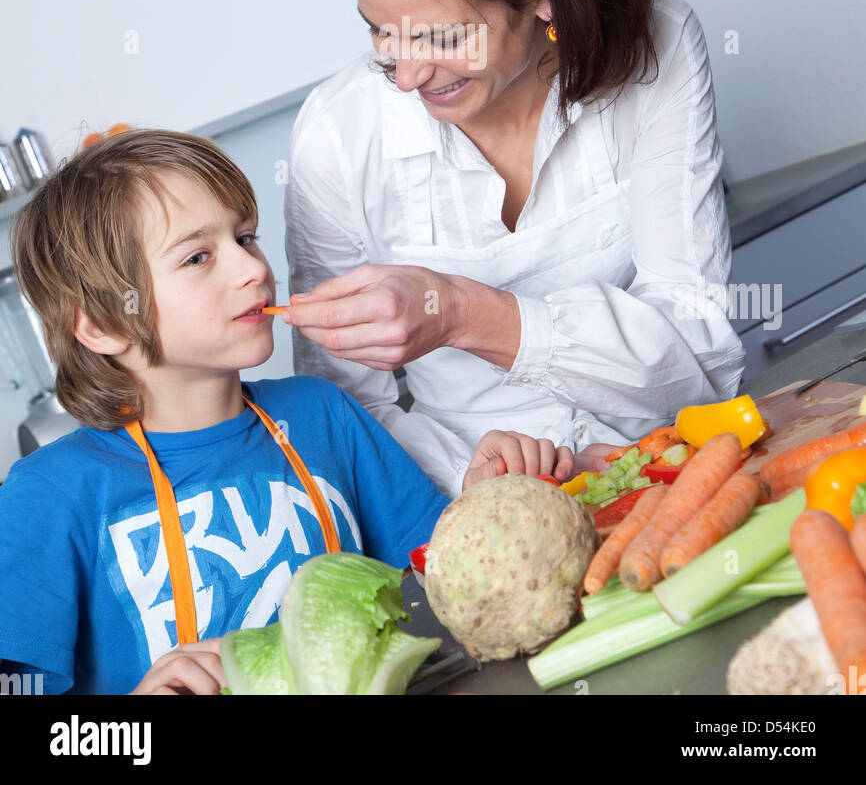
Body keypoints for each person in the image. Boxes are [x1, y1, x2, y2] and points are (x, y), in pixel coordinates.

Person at [283, 0, 748, 499]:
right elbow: (350, 417)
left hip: (672, 467)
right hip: (468, 504)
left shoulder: (659, 45)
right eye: (380, 32)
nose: (407, 75)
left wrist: (461, 310)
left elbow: (702, 353)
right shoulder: (338, 138)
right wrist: (483, 490)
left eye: (442, 38)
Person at [0, 129, 571, 696]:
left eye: (245, 238)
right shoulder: (47, 495)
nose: (252, 269)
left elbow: (435, 591)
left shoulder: (322, 412)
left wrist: (485, 502)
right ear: (102, 324)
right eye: (198, 256)